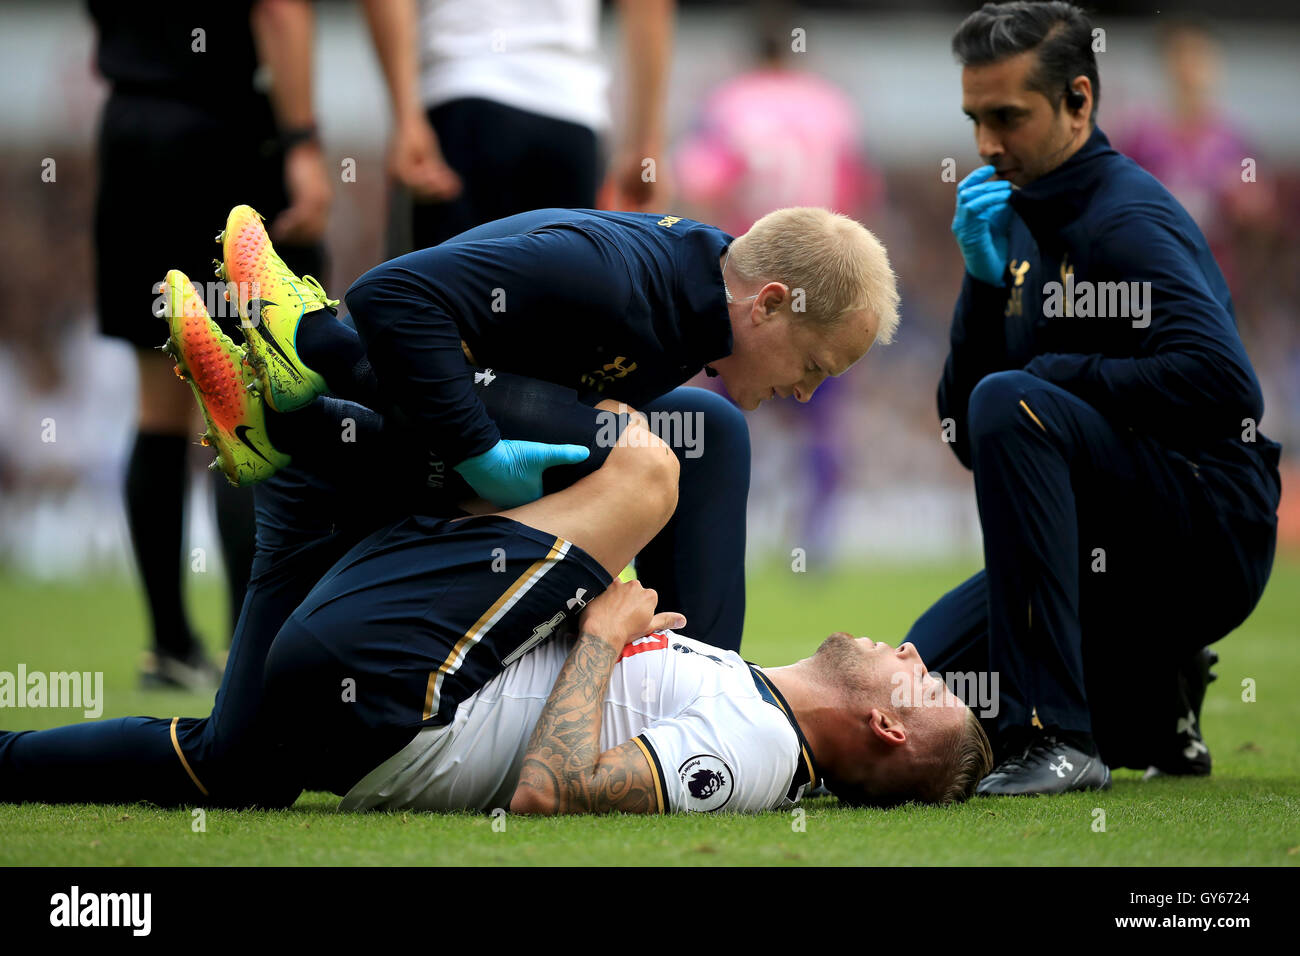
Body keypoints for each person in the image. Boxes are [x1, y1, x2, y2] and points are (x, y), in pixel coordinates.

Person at [0, 290, 991, 813]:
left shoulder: (754, 756)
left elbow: (547, 790)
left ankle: (328, 353)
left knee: (658, 463)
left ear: (886, 728)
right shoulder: (747, 690)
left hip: (396, 686)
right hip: (360, 659)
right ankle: (303, 435)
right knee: (233, 766)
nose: (914, 654)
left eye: (924, 685)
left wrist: (602, 629)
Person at [215, 202, 899, 651]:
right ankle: (308, 351)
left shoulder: (701, 300)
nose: (807, 394)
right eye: (813, 365)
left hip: (419, 461)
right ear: (770, 304)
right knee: (241, 769)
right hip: (341, 471)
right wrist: (482, 455)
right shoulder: (614, 277)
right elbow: (389, 294)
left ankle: (709, 696)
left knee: (706, 429)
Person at [904, 1, 1281, 795]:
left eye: (1007, 117)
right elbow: (970, 434)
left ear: (1079, 101)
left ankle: (1059, 740)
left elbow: (1226, 386)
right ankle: (1155, 698)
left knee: (1019, 396)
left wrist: (1057, 375)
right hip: (1111, 533)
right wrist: (980, 288)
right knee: (921, 686)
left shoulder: (1123, 219)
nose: (985, 145)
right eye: (975, 118)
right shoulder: (1016, 222)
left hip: (1210, 530)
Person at [86, 0, 451, 689]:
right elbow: (280, 8)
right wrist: (302, 145)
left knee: (157, 405)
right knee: (256, 396)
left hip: (131, 131)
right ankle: (245, 641)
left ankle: (168, 644)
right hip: (226, 134)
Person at [391, 0, 675, 256]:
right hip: (571, 114)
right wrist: (646, 147)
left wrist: (406, 118)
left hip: (464, 95)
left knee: (447, 301)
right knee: (558, 304)